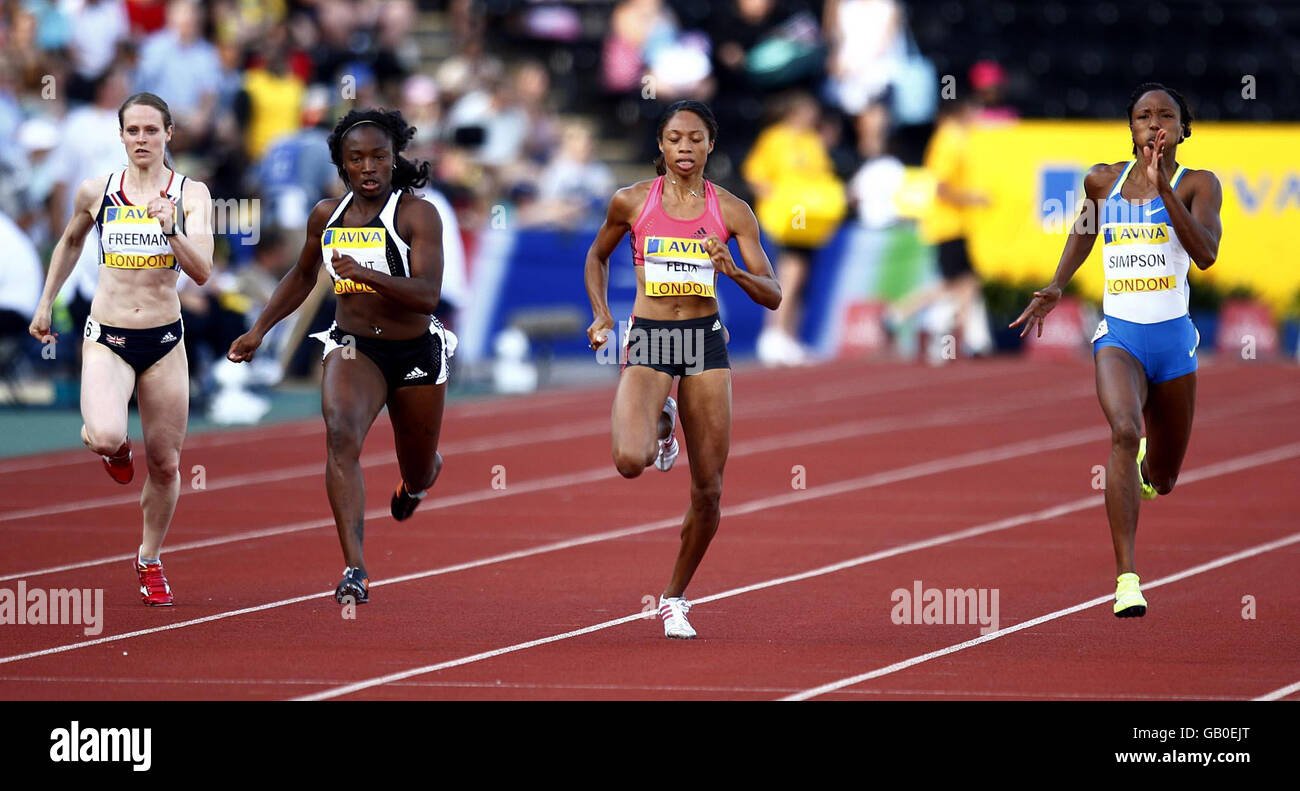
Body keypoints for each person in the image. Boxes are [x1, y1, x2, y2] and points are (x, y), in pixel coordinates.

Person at [227, 109, 455, 606]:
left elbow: (427, 295)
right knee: (340, 434)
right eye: (357, 159)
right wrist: (259, 330)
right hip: (355, 346)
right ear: (342, 165)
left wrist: (366, 273)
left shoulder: (416, 214)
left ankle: (418, 480)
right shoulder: (325, 215)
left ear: (395, 160)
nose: (369, 167)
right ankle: (355, 567)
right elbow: (302, 276)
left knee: (417, 467)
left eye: (379, 157)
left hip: (415, 351)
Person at [1011, 83, 1222, 618]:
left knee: (1166, 480)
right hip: (1120, 338)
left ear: (1182, 128)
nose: (1154, 125)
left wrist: (1163, 190)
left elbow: (1206, 254)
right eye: (1143, 117)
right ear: (1129, 128)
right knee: (1125, 432)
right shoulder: (1102, 181)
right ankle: (1127, 578)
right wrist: (1058, 284)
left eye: (1165, 116)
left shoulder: (1199, 184)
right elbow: (1085, 230)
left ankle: (1153, 473)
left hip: (1174, 344)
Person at [584, 100, 781, 638]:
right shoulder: (630, 203)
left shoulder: (733, 210)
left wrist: (733, 271)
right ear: (661, 146)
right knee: (630, 459)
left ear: (710, 145)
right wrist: (602, 314)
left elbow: (774, 295)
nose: (685, 149)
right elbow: (597, 256)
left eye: (695, 139)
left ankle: (674, 597)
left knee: (709, 491)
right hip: (650, 337)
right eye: (675, 139)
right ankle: (662, 420)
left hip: (704, 344)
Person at [27, 92, 215, 606]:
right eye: (132, 131)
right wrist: (46, 304)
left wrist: (171, 226)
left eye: (151, 131)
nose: (141, 140)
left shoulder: (192, 193)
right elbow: (68, 242)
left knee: (167, 464)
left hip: (164, 341)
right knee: (107, 434)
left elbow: (202, 272)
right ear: (121, 135)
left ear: (169, 134)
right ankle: (114, 449)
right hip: (108, 336)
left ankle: (149, 558)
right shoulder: (98, 190)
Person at [743, 92, 846, 366]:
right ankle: (774, 333)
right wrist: (778, 199)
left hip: (810, 217)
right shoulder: (775, 138)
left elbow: (823, 177)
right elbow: (756, 174)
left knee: (803, 277)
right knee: (792, 272)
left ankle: (789, 335)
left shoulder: (813, 141)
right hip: (789, 216)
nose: (812, 117)